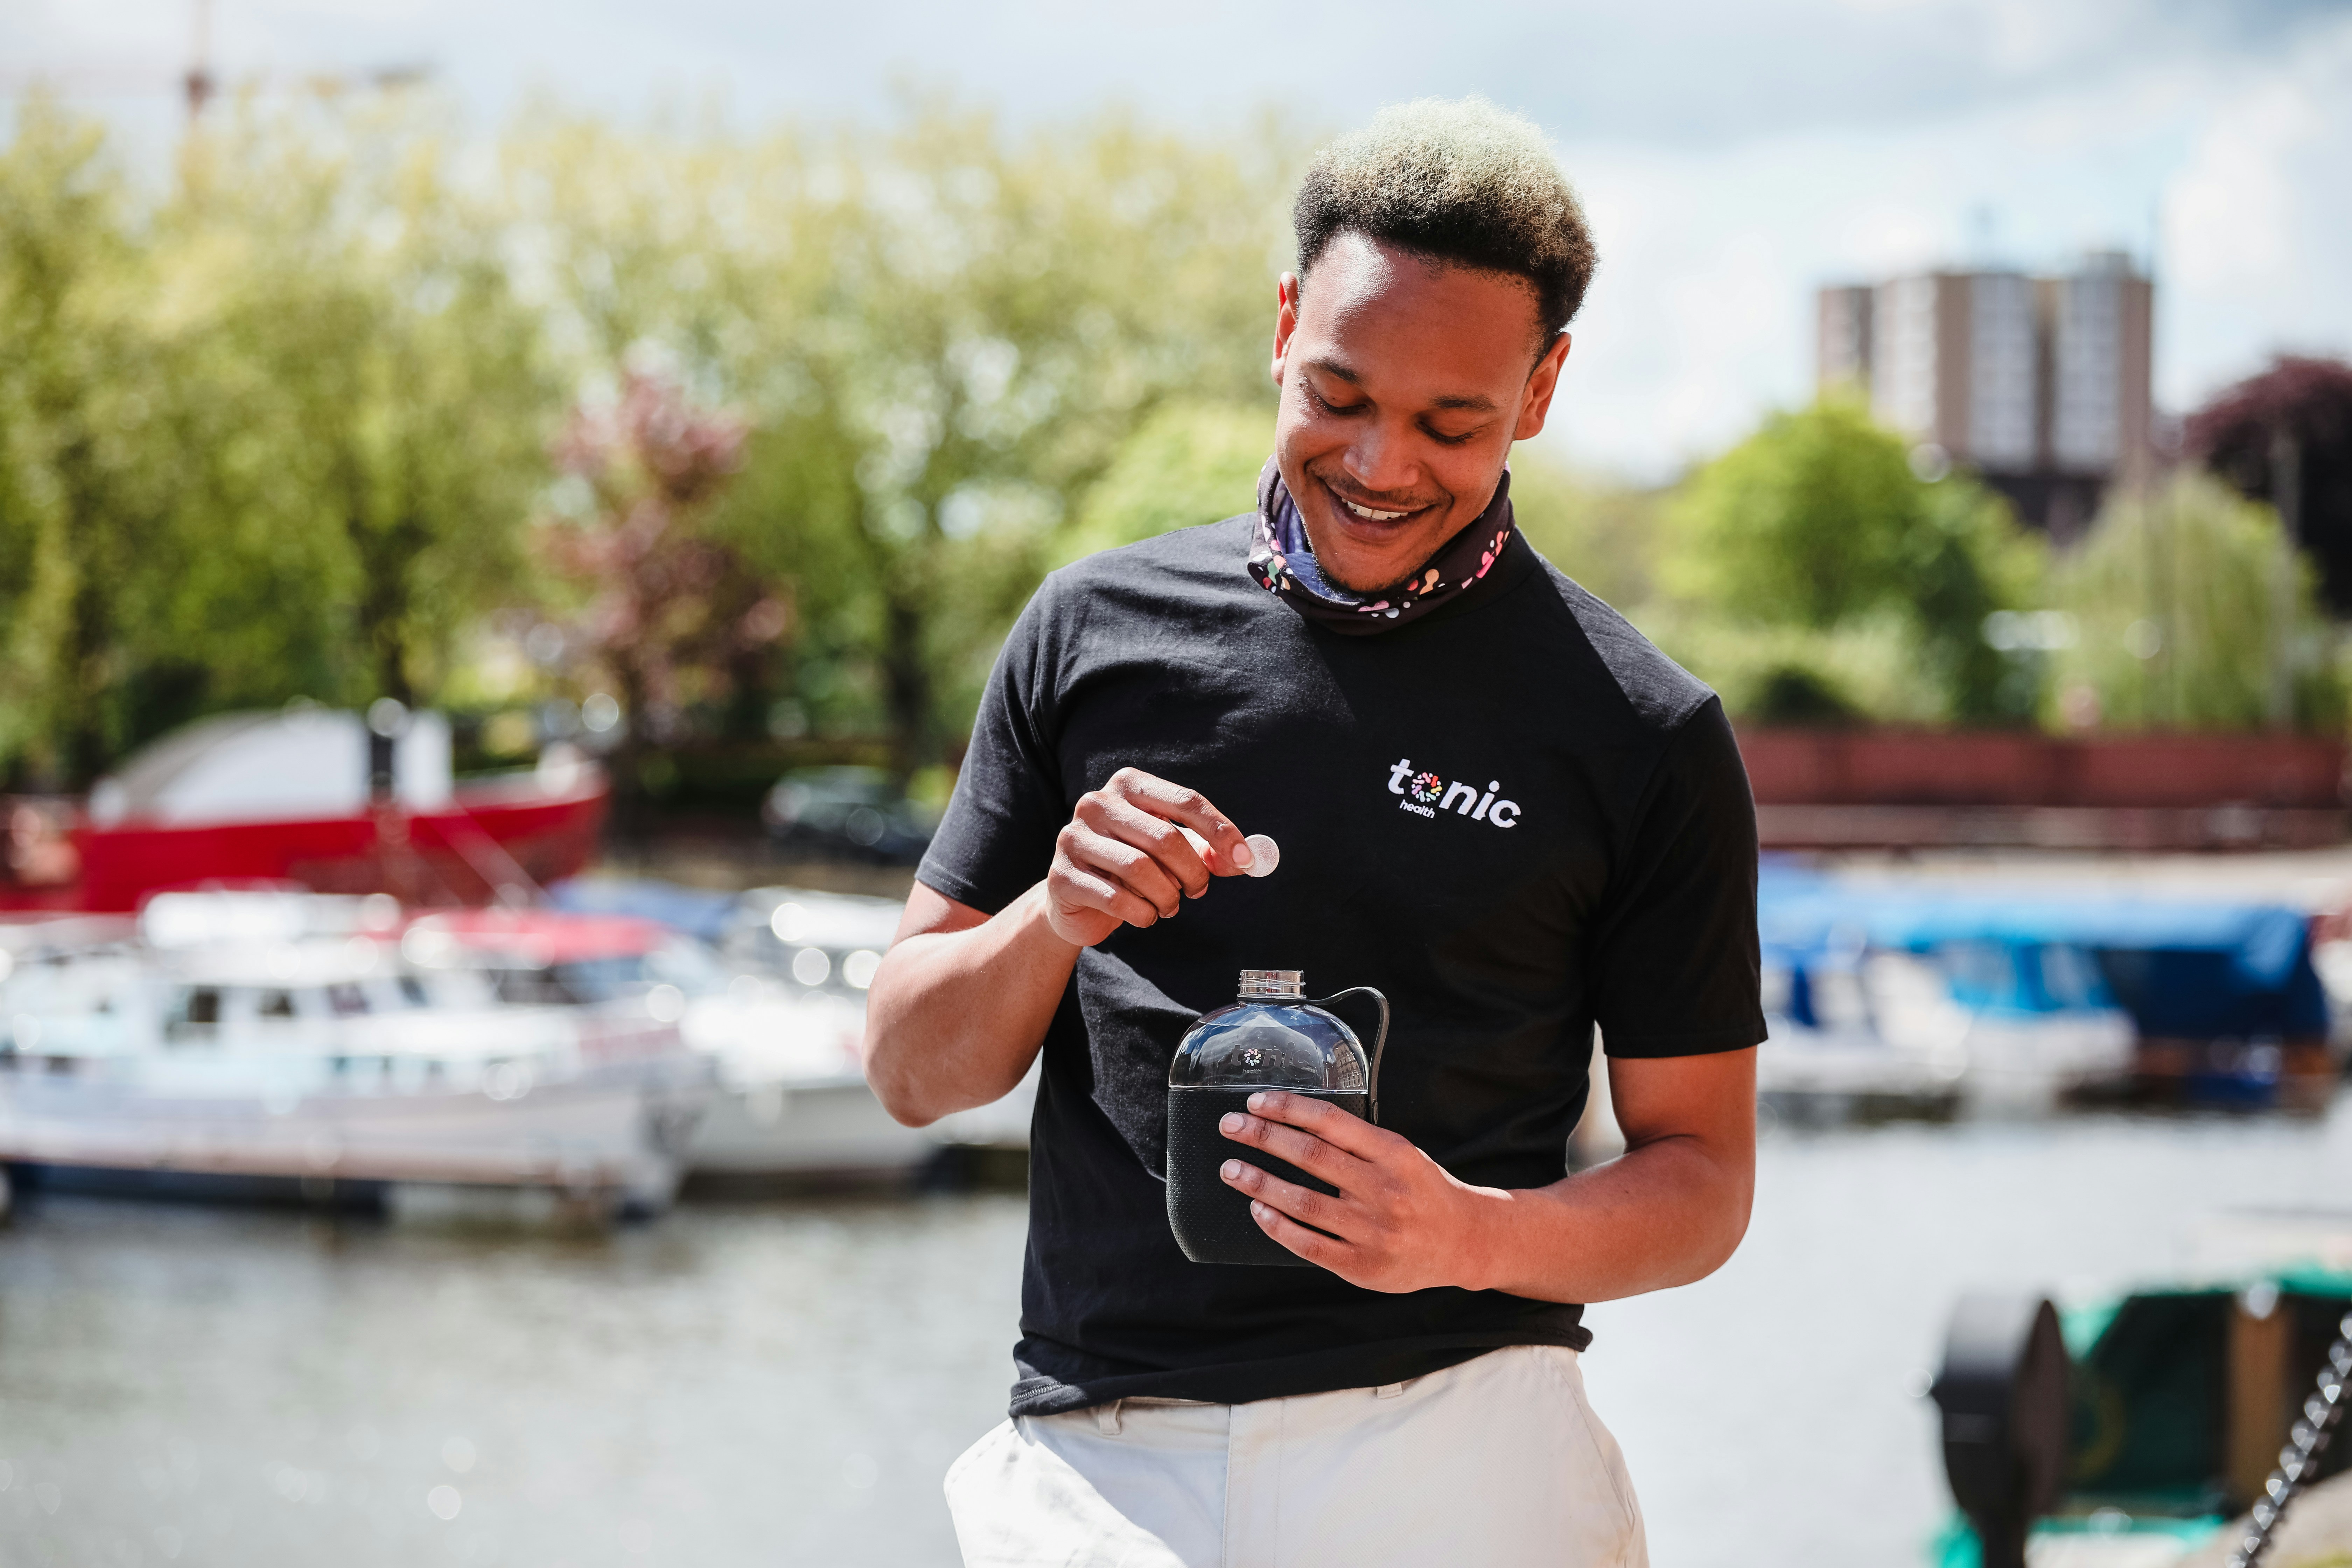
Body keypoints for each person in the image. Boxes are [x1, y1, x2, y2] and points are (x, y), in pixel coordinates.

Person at [863, 95, 1763, 1568]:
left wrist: (1467, 1235)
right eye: (1339, 395)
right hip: (1102, 1462)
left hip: (1464, 1442)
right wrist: (1052, 915)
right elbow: (911, 1073)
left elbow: (1704, 1180)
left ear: (1540, 391)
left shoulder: (1640, 730)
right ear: (1284, 321)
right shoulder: (1088, 631)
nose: (1380, 462)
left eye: (1449, 422)